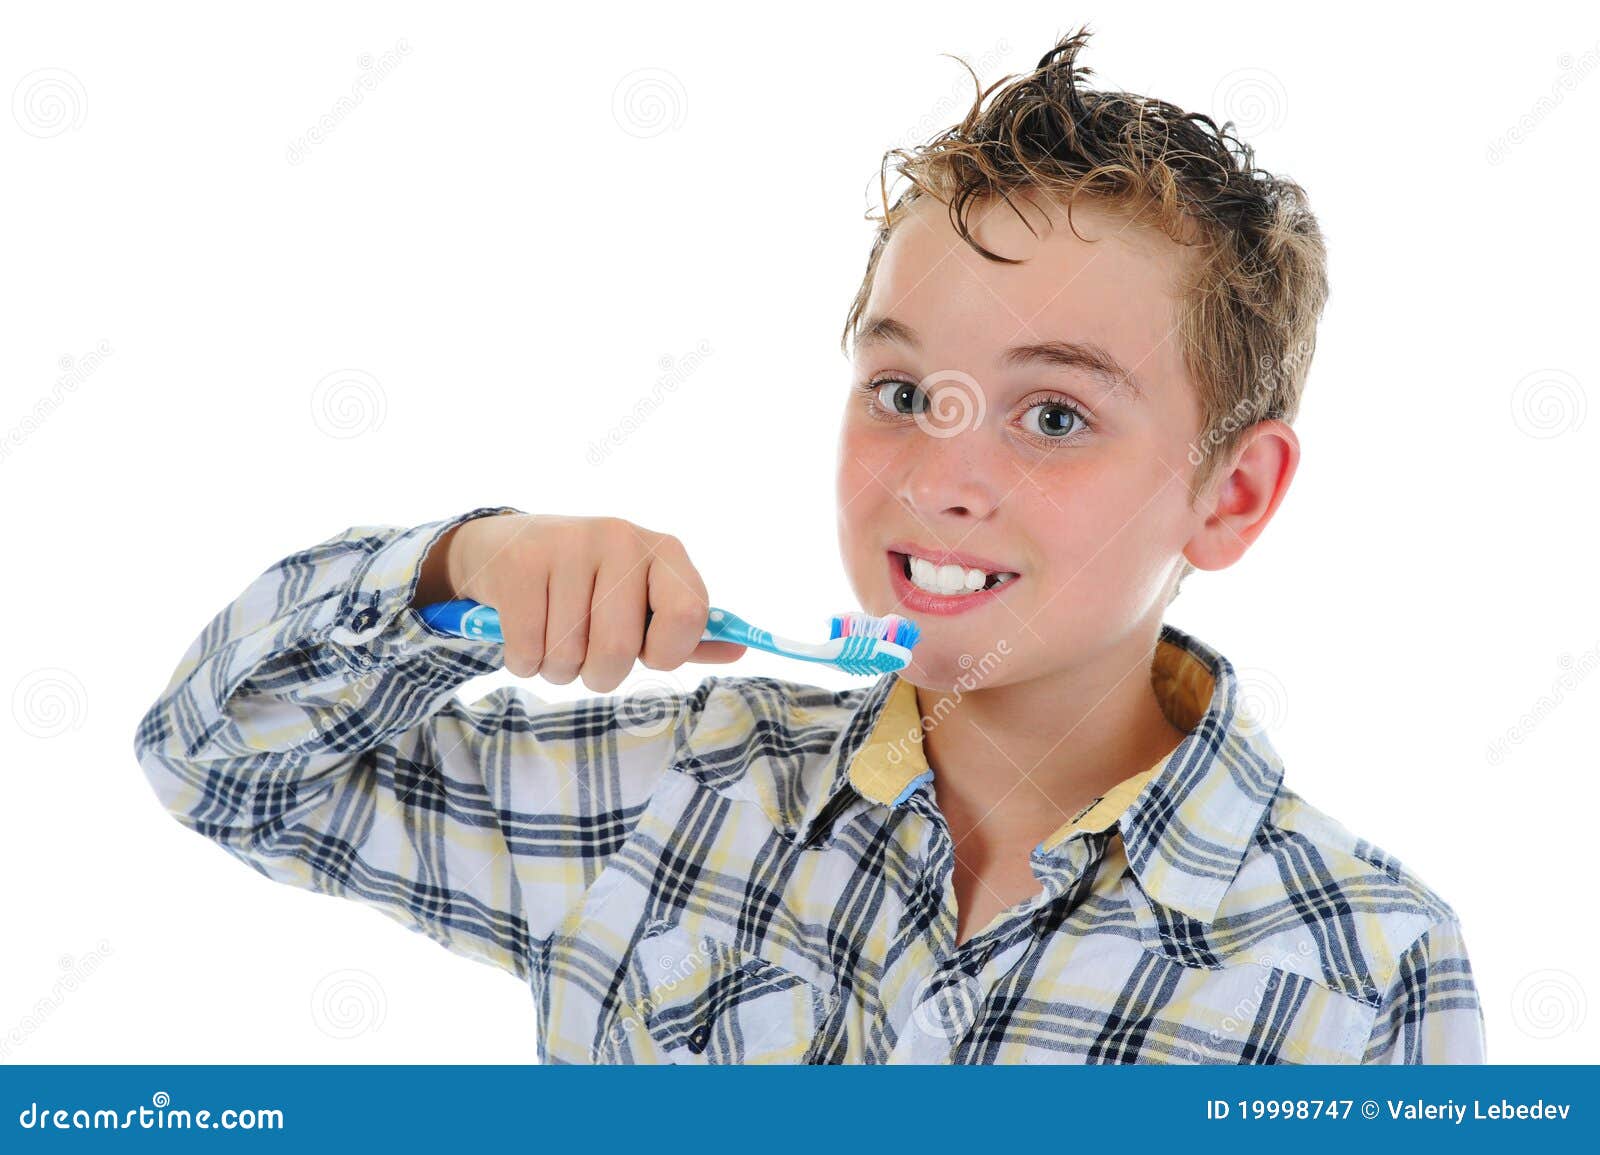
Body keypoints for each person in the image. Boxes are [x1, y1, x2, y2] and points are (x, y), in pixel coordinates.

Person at [133, 25, 1485, 1063]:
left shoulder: (1370, 976)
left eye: (1054, 415)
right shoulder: (672, 792)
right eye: (902, 392)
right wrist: (464, 568)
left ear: (1232, 495)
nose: (942, 480)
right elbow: (220, 763)